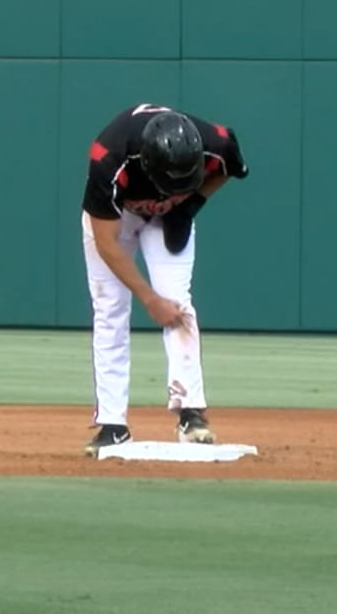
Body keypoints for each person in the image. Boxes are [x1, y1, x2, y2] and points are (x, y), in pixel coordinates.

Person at [80, 103, 249, 456]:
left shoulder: (212, 141)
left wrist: (189, 205)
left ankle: (191, 413)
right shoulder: (109, 158)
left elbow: (229, 167)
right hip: (118, 219)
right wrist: (147, 297)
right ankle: (112, 424)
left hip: (167, 216)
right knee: (110, 308)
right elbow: (106, 244)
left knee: (177, 302)